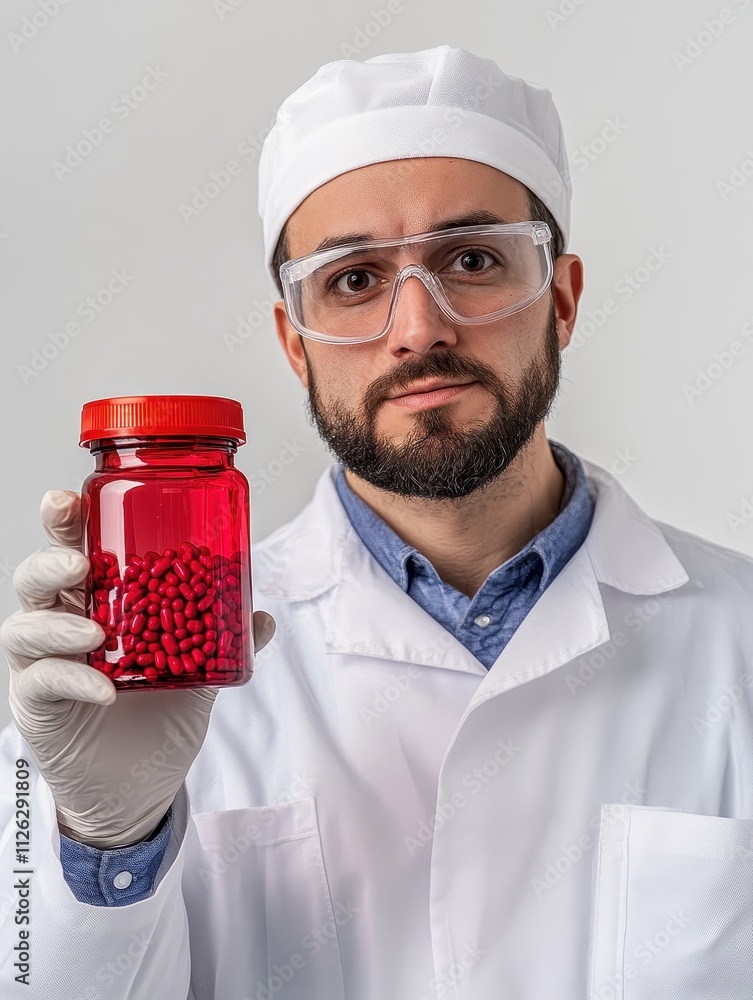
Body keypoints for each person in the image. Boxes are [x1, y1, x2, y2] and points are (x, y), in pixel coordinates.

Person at [1, 43, 752, 1000]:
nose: (418, 327)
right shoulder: (137, 674)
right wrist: (105, 845)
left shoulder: (739, 639)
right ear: (293, 343)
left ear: (559, 299)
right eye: (352, 280)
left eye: (473, 261)